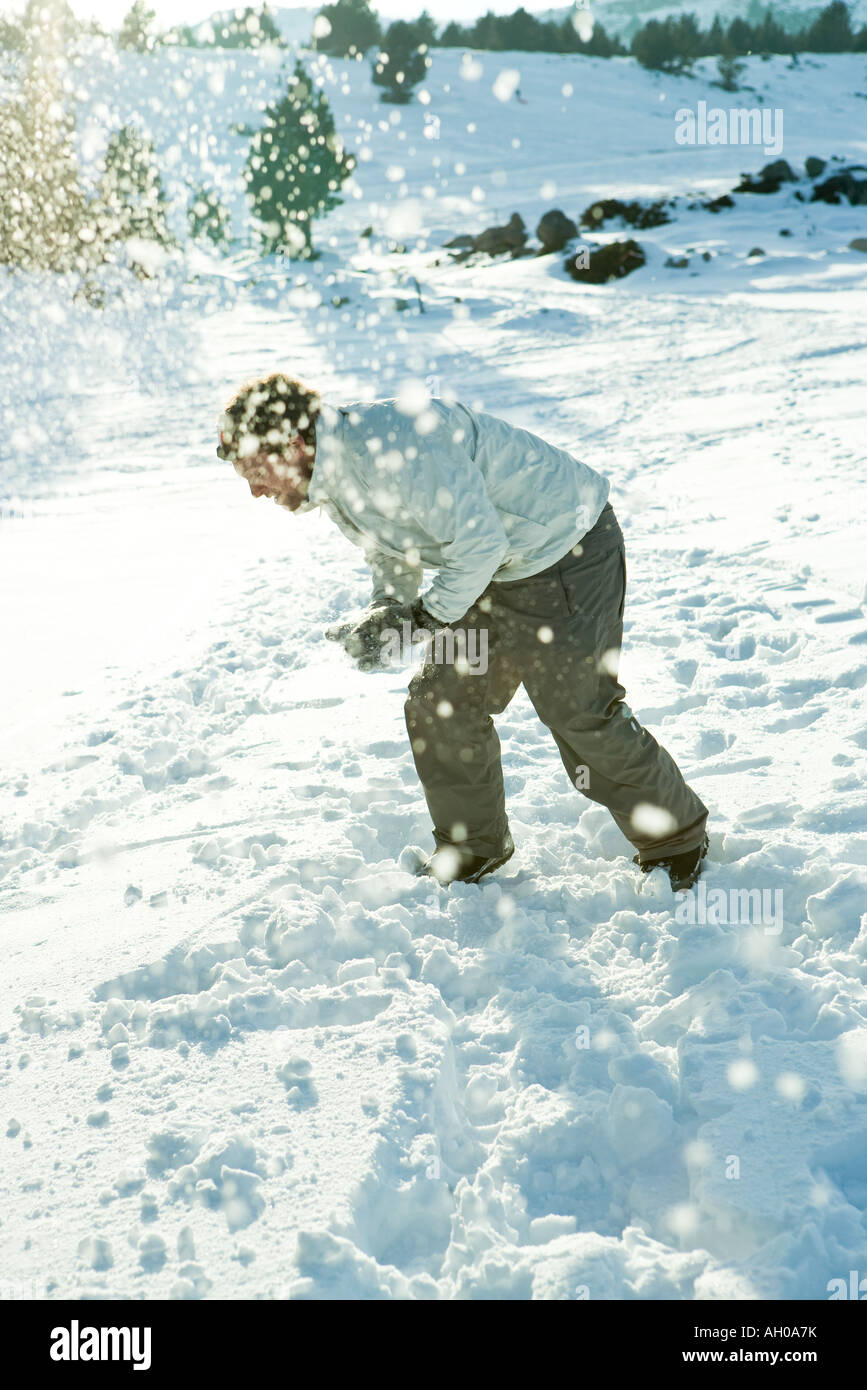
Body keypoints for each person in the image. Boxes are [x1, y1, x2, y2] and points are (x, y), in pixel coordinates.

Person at [218, 372, 709, 889]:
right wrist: (387, 607)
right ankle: (474, 846)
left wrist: (424, 619)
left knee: (578, 708)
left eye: (255, 470)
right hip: (494, 570)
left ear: (292, 444)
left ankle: (675, 838)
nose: (254, 490)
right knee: (441, 699)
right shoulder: (333, 471)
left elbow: (478, 545)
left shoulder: (400, 445)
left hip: (565, 549)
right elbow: (391, 545)